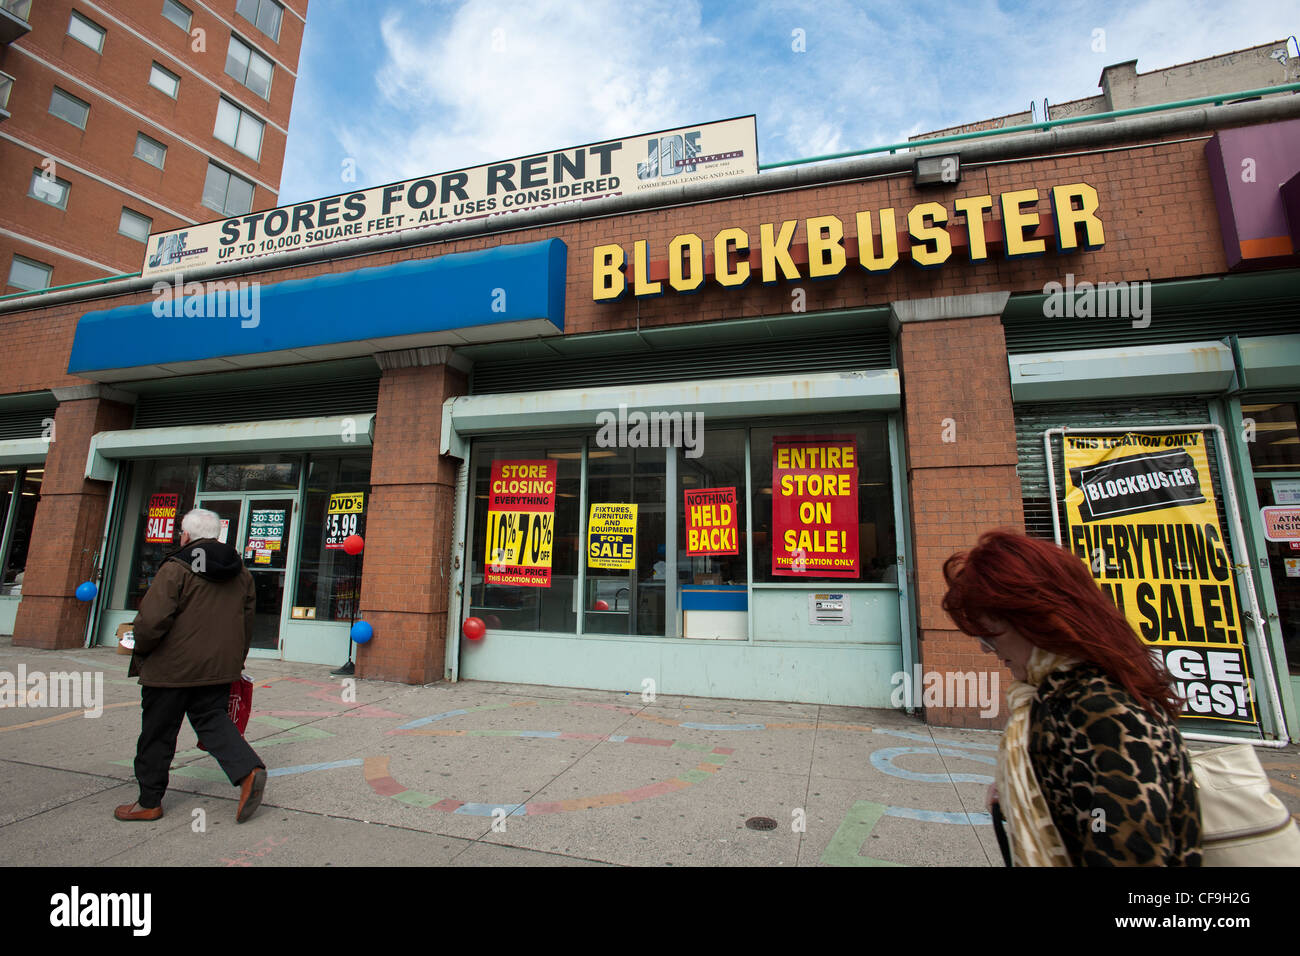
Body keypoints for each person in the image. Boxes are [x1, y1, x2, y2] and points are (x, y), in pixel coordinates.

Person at [941, 529, 1201, 866]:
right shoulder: (1061, 693)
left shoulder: (1103, 711)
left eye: (994, 633)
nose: (986, 647)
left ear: (1040, 621)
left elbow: (1123, 846)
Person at [115, 508, 267, 824]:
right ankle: (248, 770)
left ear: (185, 535)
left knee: (157, 732)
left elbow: (153, 620)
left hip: (171, 669)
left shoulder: (177, 567)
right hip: (218, 668)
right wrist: (235, 662)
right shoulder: (241, 572)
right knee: (213, 721)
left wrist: (138, 645)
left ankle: (149, 802)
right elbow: (246, 622)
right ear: (216, 535)